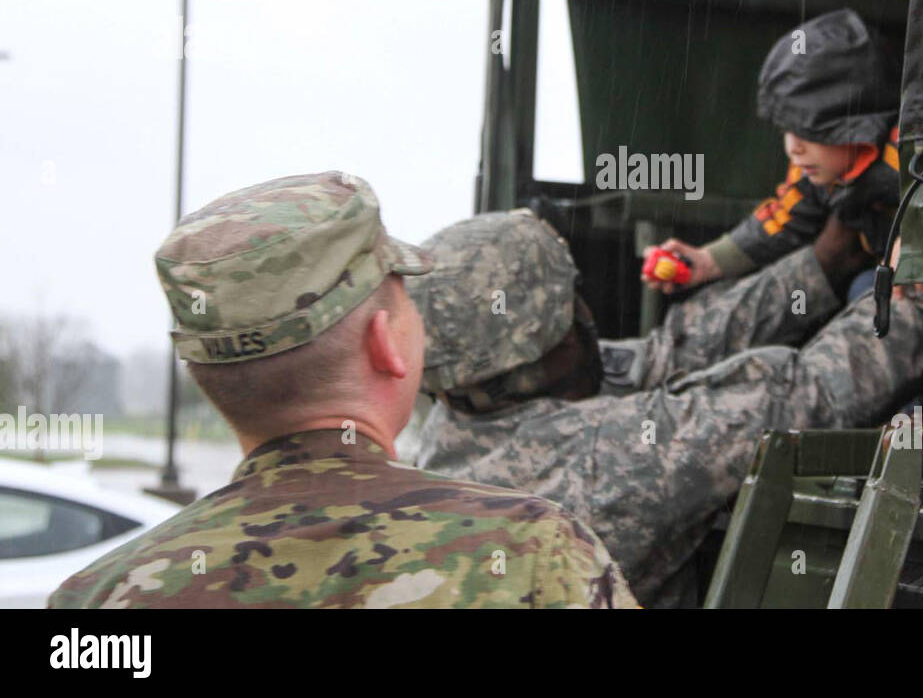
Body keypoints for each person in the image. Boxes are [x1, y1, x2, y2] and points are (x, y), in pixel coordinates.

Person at [49, 171, 636, 609]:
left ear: (205, 378)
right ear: (386, 344)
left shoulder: (93, 599)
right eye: (406, 300)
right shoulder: (535, 555)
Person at [414, 209, 923, 608]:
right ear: (548, 350)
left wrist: (822, 263)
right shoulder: (603, 461)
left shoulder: (462, 418)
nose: (585, 312)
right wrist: (909, 292)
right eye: (569, 302)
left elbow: (667, 354)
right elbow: (803, 395)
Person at [643, 7, 902, 300]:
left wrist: (920, 246)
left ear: (856, 123)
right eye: (786, 131)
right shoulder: (815, 169)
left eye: (809, 132)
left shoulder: (911, 154)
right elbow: (781, 220)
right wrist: (706, 261)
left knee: (870, 292)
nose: (793, 147)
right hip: (881, 280)